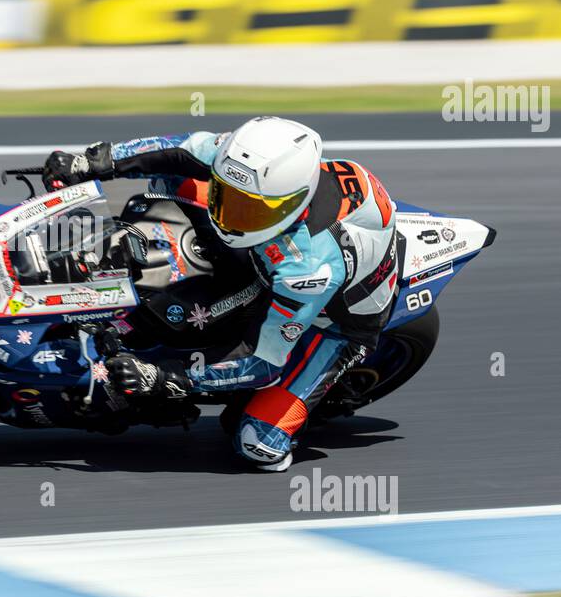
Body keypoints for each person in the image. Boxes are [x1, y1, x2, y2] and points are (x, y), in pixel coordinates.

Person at [42, 117, 398, 471]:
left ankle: (290, 414)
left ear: (294, 202)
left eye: (252, 210)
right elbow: (179, 150)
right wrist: (94, 162)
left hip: (333, 321)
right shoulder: (247, 160)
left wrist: (167, 376)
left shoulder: (308, 269)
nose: (232, 218)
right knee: (171, 179)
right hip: (274, 257)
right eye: (226, 196)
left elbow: (263, 363)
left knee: (257, 443)